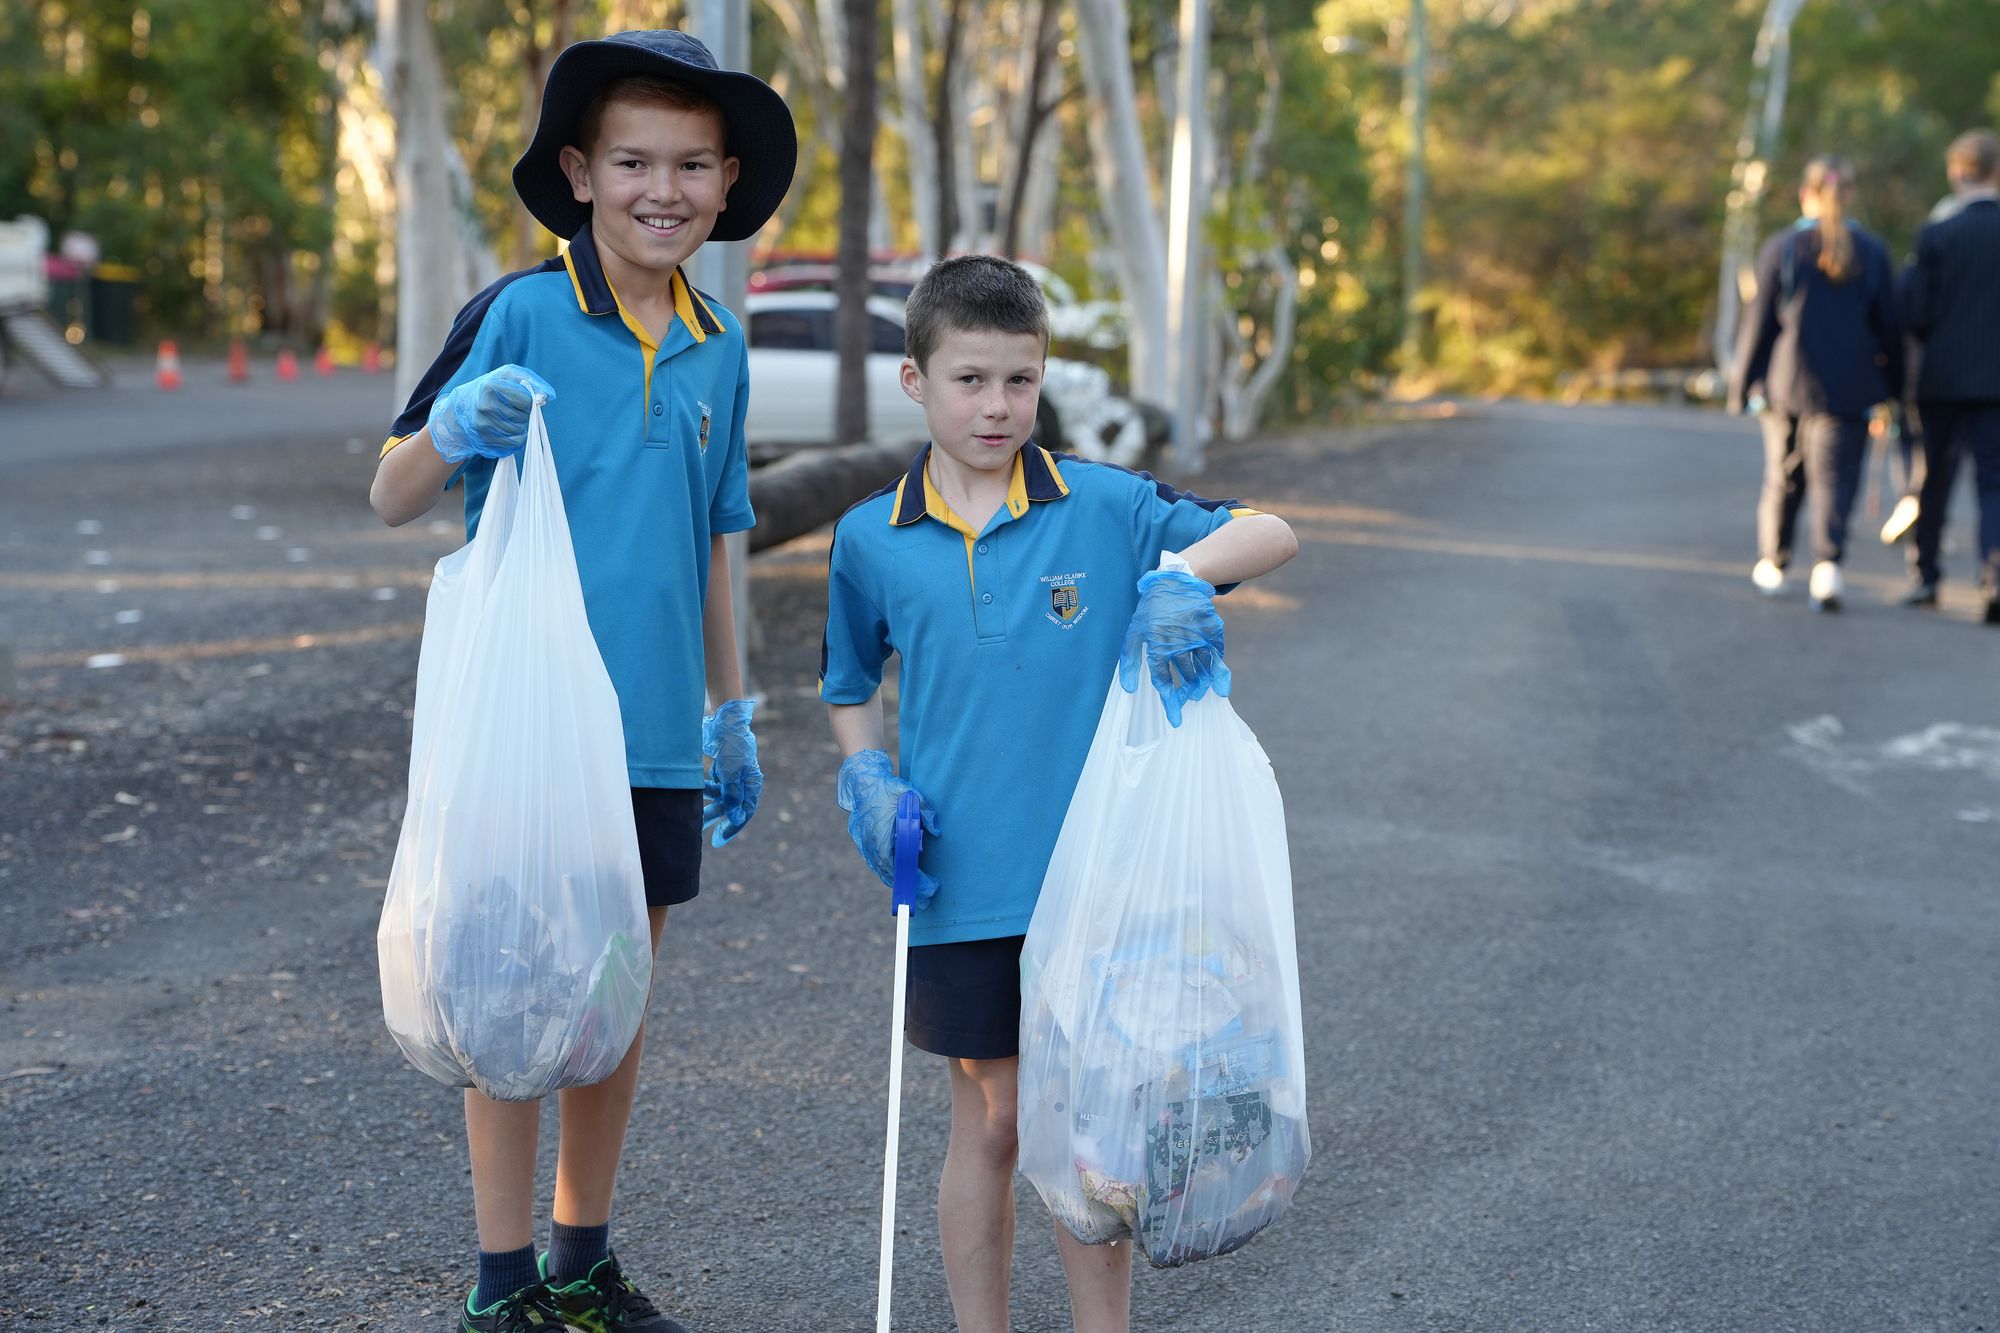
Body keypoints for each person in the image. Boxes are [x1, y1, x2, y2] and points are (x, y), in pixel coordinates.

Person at [368, 28, 795, 1333]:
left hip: (660, 734)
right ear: (579, 170)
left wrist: (733, 706)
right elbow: (389, 494)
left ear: (727, 187)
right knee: (506, 999)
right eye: (631, 162)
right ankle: (501, 1287)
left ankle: (578, 1261)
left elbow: (721, 533)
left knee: (610, 1005)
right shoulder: (522, 311)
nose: (660, 190)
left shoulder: (721, 342)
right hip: (523, 733)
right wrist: (449, 429)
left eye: (690, 166)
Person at [818, 255, 1299, 1333]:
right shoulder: (867, 537)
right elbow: (847, 681)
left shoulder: (1107, 505)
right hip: (957, 879)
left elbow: (1269, 530)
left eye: (1019, 381)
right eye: (969, 379)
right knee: (991, 1122)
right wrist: (866, 769)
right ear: (914, 382)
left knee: (1097, 1127)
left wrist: (1179, 576)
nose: (996, 406)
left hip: (1103, 884)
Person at [1729, 154, 1904, 611]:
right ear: (1848, 195)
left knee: (1783, 475)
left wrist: (1743, 386)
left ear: (1804, 194)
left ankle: (1775, 561)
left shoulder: (1783, 247)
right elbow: (1890, 326)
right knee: (1835, 478)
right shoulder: (1872, 251)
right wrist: (1896, 387)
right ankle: (1828, 569)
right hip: (1849, 388)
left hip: (1787, 384)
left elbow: (1759, 326)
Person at [1899, 128, 2000, 623]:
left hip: (1941, 379)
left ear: (1957, 172)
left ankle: (1927, 576)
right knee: (1995, 483)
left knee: (1934, 477)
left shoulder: (1937, 234)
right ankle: (1995, 576)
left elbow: (1912, 310)